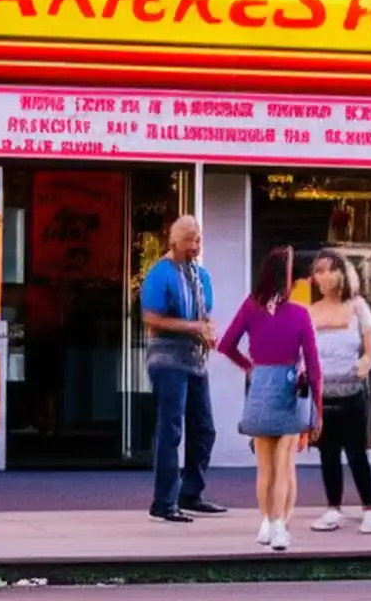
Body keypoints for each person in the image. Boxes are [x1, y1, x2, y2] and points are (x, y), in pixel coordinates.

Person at [219, 245, 321, 552]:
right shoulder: (300, 314)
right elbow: (314, 366)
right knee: (284, 464)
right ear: (284, 277)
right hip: (288, 386)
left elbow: (226, 345)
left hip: (260, 385)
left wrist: (249, 367)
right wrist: (317, 407)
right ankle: (280, 527)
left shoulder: (251, 307)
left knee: (264, 465)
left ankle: (265, 522)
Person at [140, 215, 225, 523]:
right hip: (167, 358)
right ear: (173, 241)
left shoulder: (201, 275)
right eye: (190, 239)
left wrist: (208, 332)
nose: (195, 246)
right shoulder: (160, 273)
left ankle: (191, 493)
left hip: (194, 359)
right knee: (171, 429)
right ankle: (163, 502)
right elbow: (150, 318)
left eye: (198, 239)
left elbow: (205, 316)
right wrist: (192, 327)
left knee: (204, 429)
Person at [306, 250, 371, 535]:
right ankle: (332, 509)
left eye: (329, 270)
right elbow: (303, 350)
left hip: (352, 393)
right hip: (321, 394)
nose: (323, 276)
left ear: (342, 273)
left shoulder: (358, 306)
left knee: (356, 453)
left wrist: (365, 362)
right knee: (327, 453)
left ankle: (370, 509)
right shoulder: (310, 310)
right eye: (318, 271)